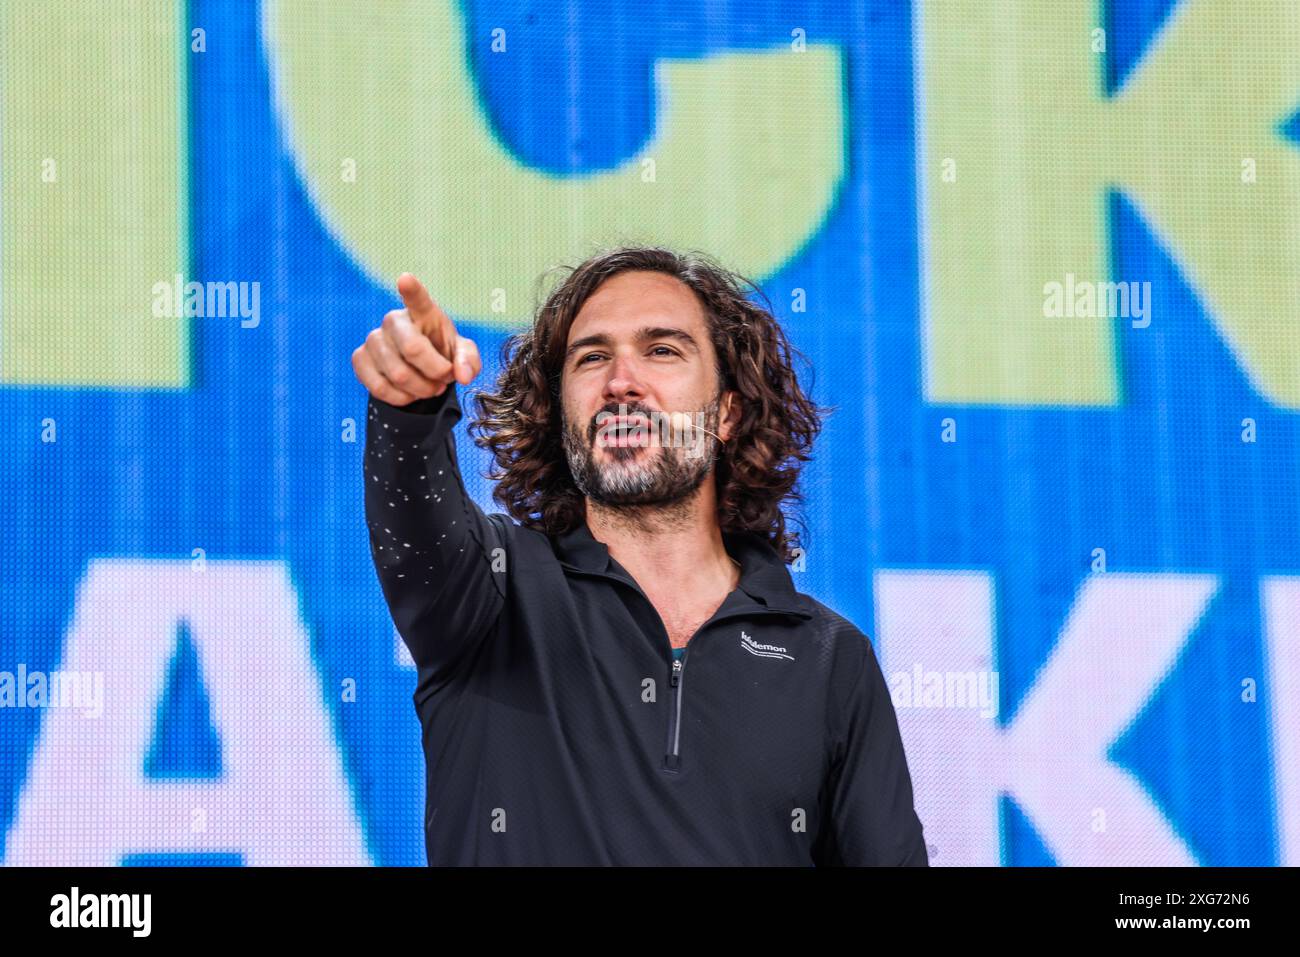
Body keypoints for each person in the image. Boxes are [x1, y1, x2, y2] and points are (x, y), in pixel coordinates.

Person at [352, 245, 928, 865]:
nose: (620, 381)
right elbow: (412, 516)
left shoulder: (829, 658)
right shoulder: (490, 591)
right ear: (562, 412)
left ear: (727, 412)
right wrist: (408, 409)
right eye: (591, 357)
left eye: (662, 350)